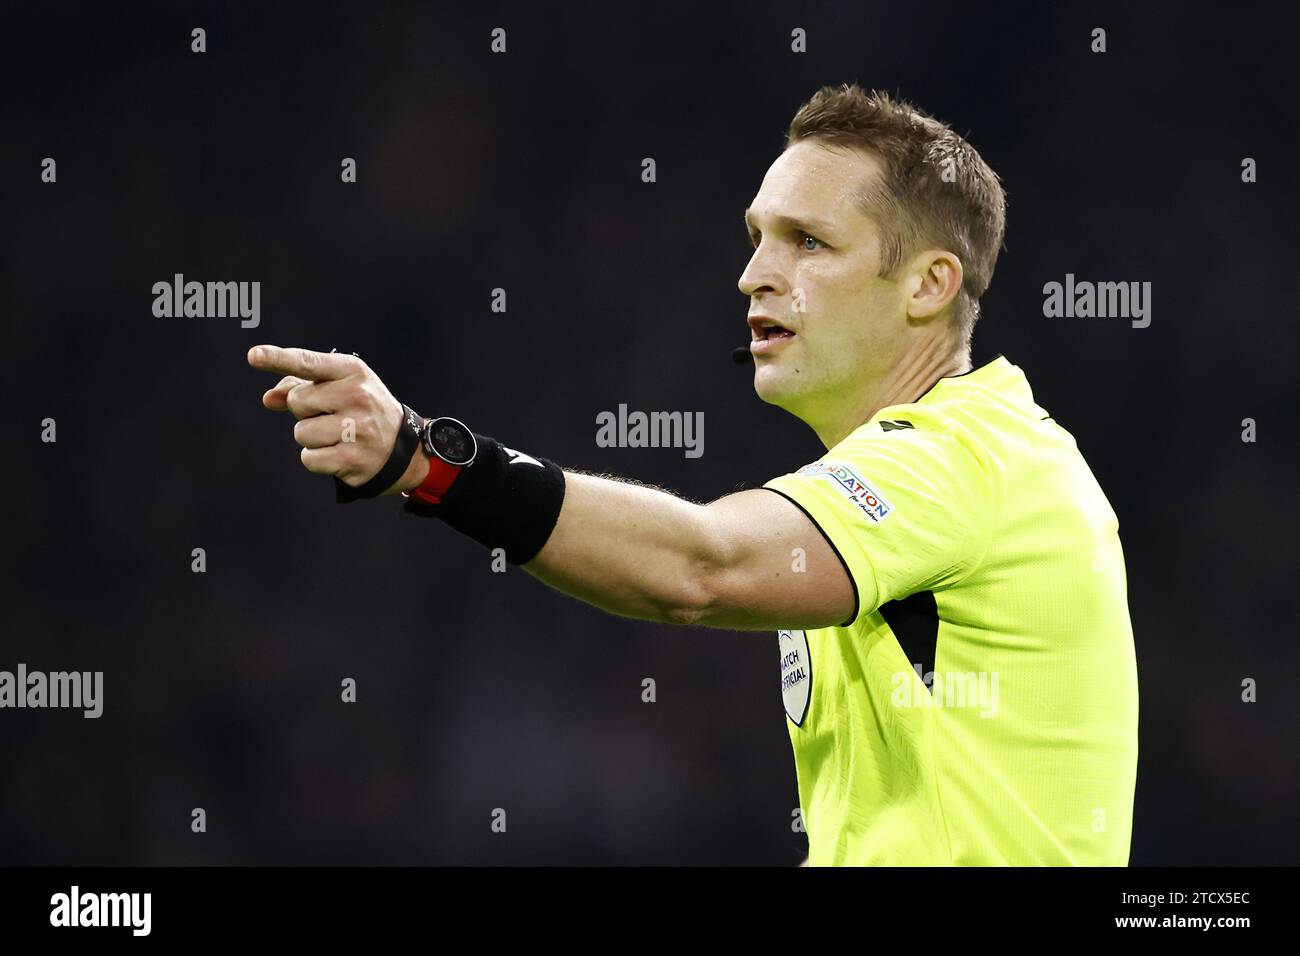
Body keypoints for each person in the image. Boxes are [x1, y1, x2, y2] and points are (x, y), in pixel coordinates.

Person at [248, 83, 1138, 866]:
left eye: (809, 243)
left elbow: (703, 568)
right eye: (756, 238)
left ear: (927, 284)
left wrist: (424, 457)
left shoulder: (965, 460)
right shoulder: (935, 479)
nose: (754, 274)